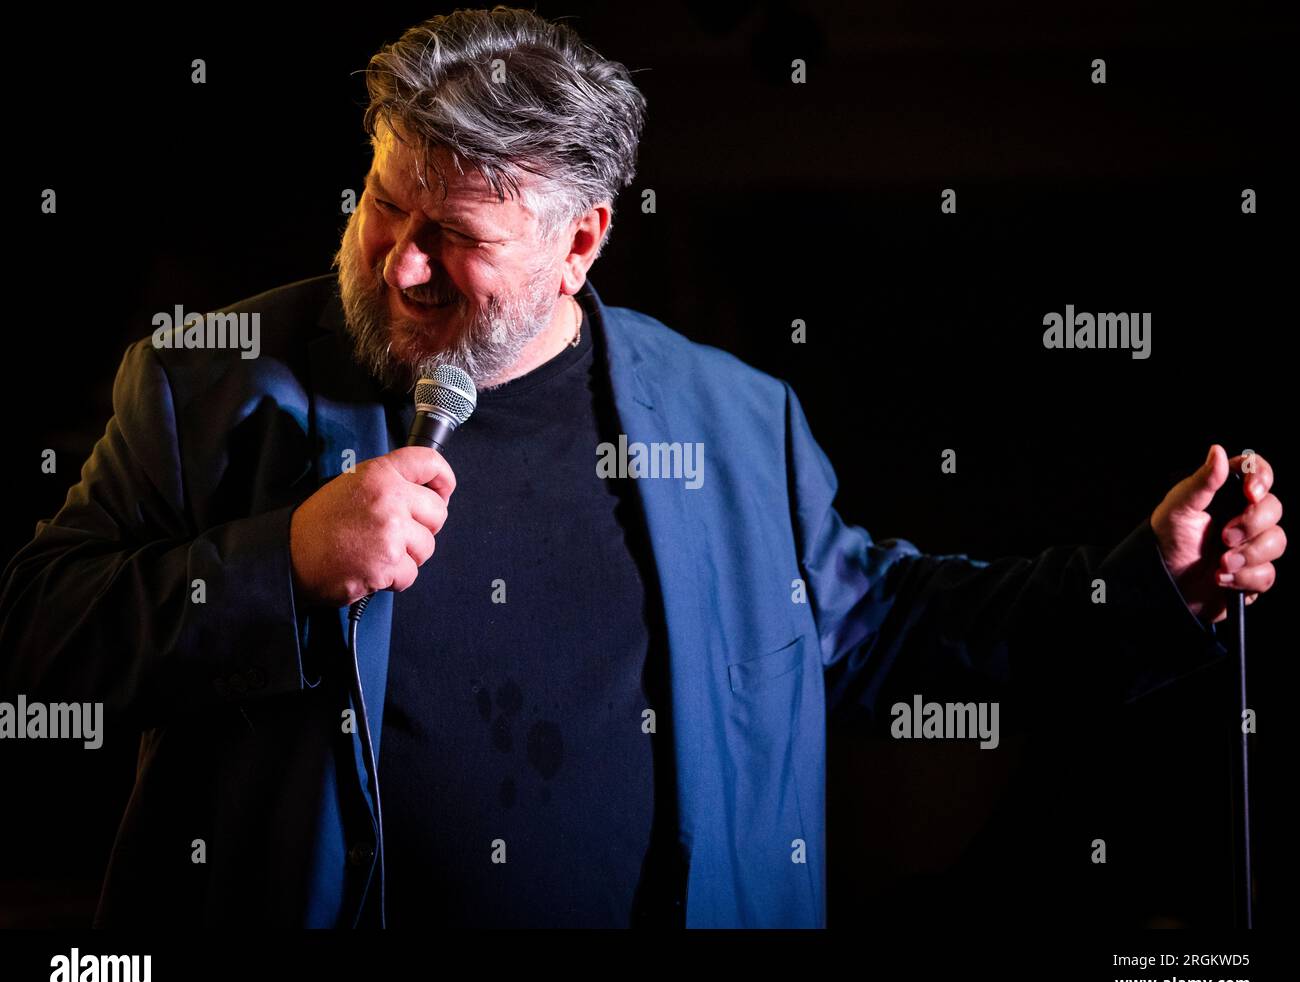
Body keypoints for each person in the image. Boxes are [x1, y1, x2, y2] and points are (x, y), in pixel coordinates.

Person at [0, 7, 1284, 929]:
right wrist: (275, 563)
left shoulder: (737, 421)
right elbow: (39, 637)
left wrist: (1143, 585)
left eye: (451, 235)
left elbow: (883, 624)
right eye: (382, 203)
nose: (395, 261)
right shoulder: (205, 381)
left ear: (581, 241)